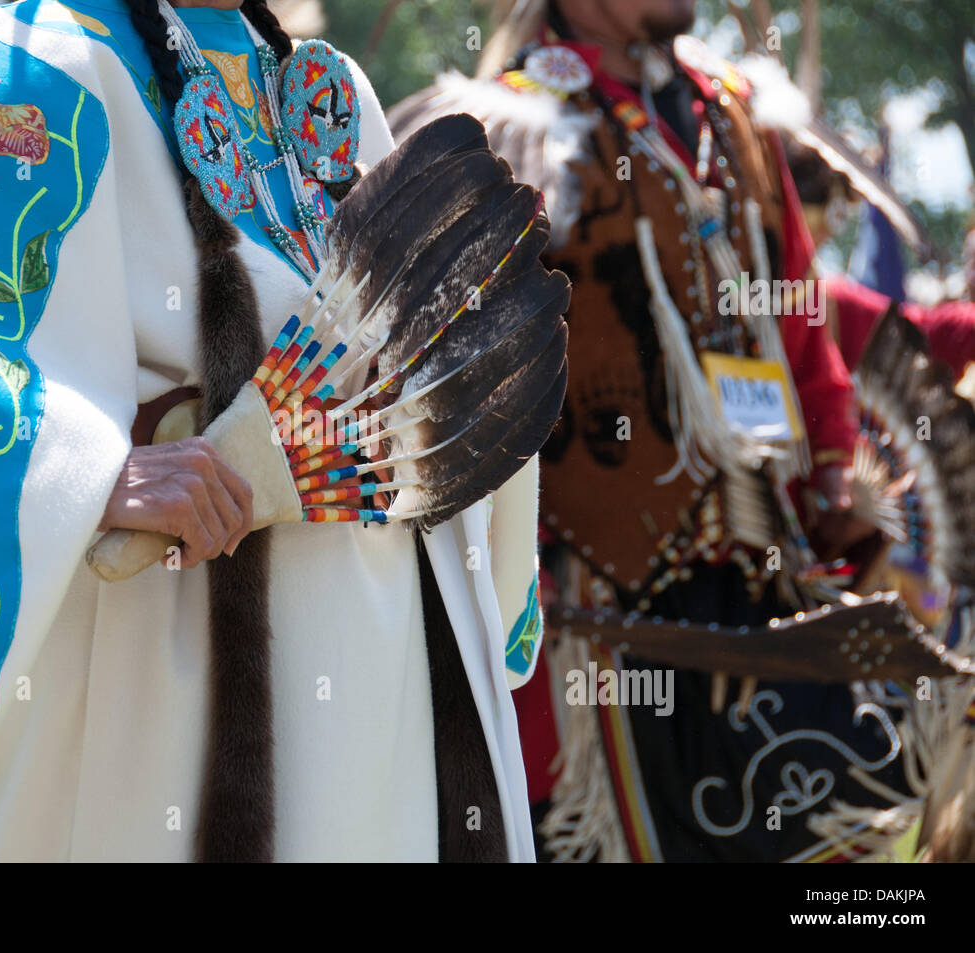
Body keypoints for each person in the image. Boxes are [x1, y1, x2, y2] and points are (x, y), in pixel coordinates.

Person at [0, 0, 544, 862]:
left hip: (399, 692)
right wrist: (83, 475)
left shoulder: (330, 99)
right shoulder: (37, 71)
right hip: (168, 691)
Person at [390, 0, 937, 862]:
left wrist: (834, 470)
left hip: (757, 576)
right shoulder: (509, 123)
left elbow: (798, 320)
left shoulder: (733, 112)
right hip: (591, 611)